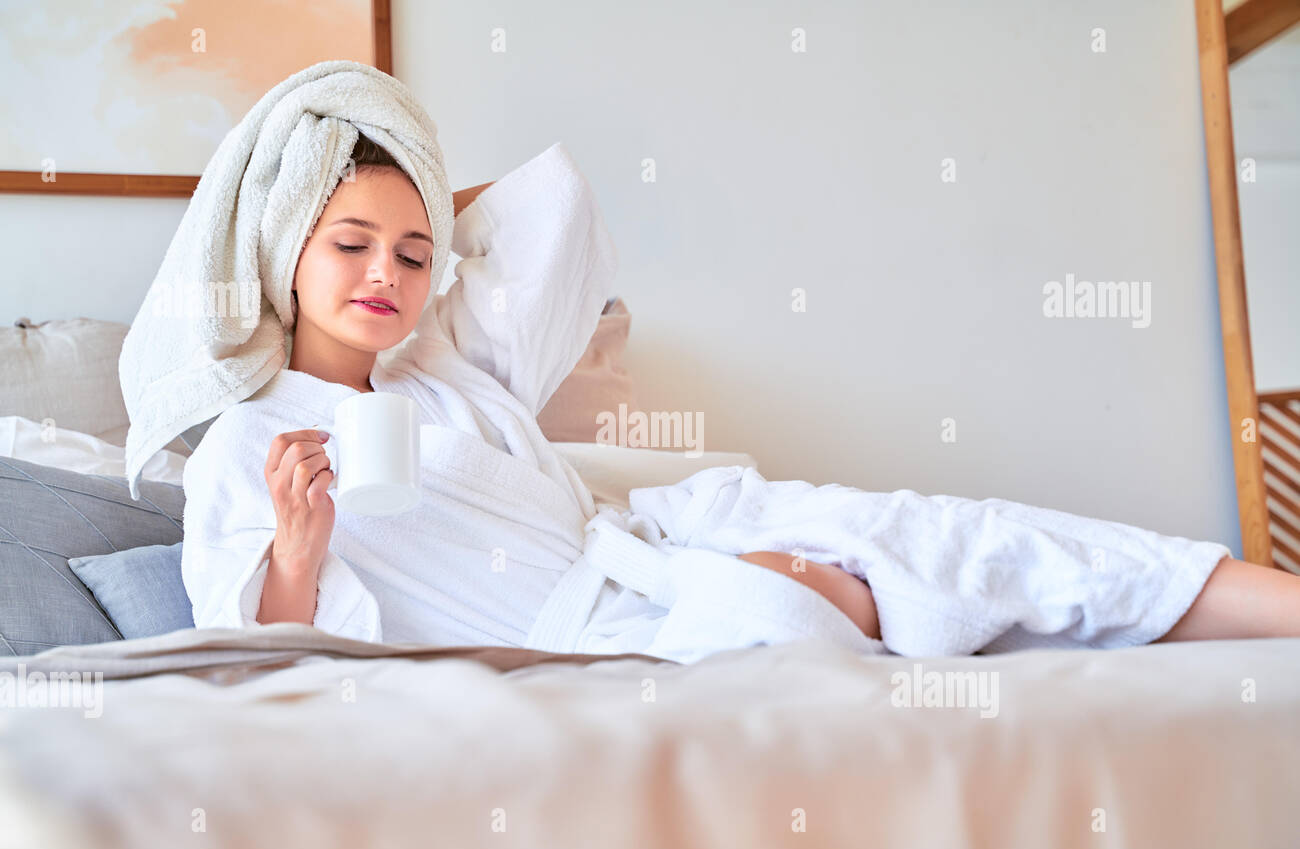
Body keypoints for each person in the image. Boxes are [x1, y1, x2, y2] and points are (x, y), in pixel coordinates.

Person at [181, 133, 1300, 666]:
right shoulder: (246, 444)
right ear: (284, 254)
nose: (387, 274)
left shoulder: (444, 370)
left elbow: (552, 205)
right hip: (593, 631)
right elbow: (253, 656)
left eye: (416, 253)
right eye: (352, 245)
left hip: (654, 534)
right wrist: (293, 552)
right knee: (815, 602)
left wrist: (398, 159)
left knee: (943, 529)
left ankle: (1274, 608)